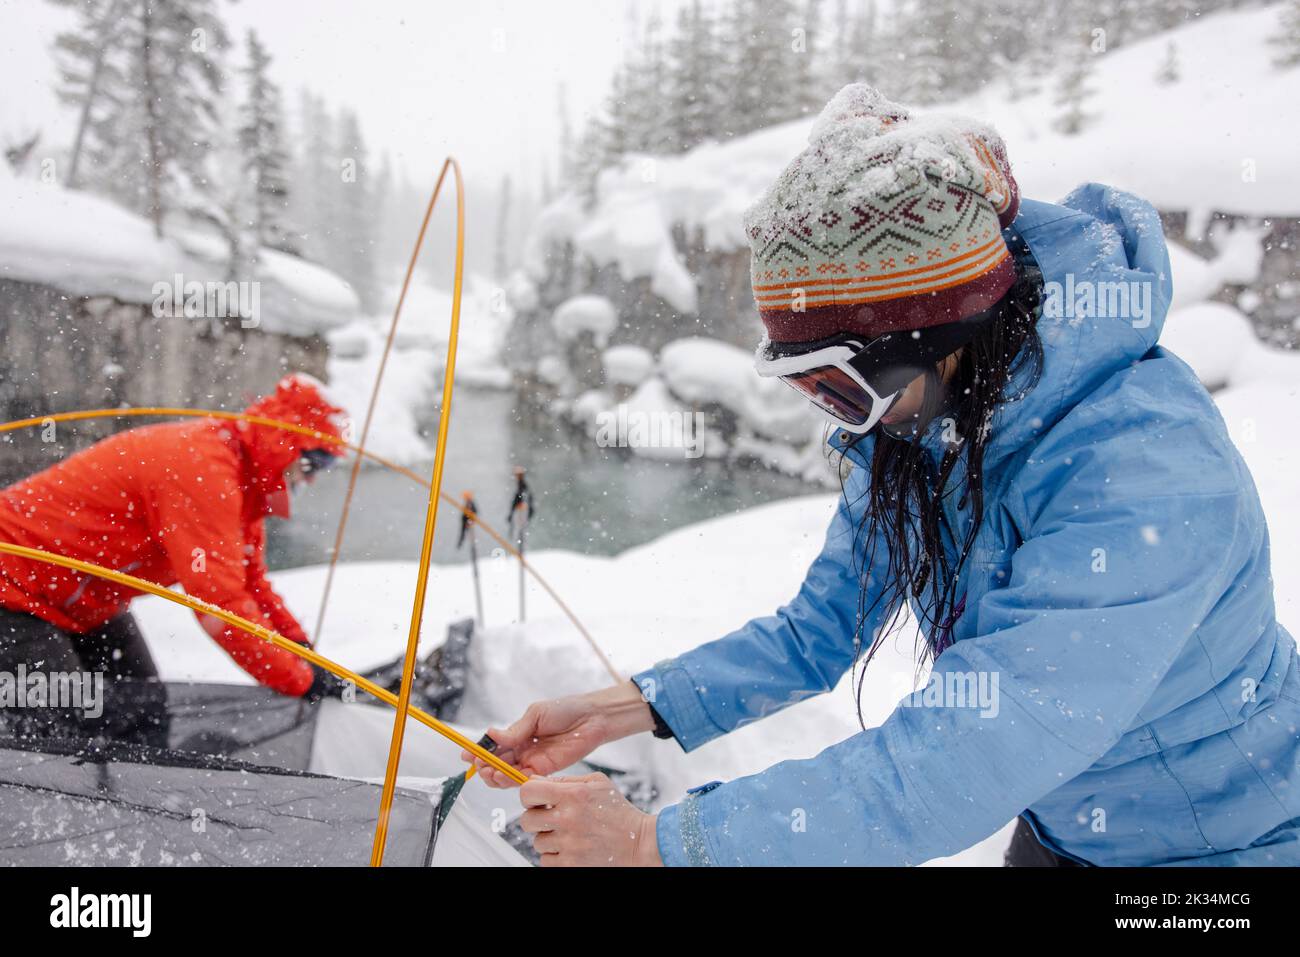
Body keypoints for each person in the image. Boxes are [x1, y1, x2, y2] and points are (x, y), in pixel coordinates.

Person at [466, 86, 1300, 867]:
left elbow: (973, 747)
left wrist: (663, 843)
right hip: (1062, 825)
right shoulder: (926, 423)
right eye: (802, 387)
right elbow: (819, 628)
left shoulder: (1146, 469)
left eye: (838, 382)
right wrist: (619, 709)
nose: (836, 417)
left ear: (941, 333)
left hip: (1227, 851)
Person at [0, 373, 348, 743]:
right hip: (12, 586)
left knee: (146, 717)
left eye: (325, 467)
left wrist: (304, 653)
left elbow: (250, 585)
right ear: (285, 445)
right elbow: (220, 605)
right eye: (313, 463)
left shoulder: (243, 480)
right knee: (64, 728)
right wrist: (300, 680)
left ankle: (123, 799)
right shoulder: (204, 469)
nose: (311, 480)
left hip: (81, 601)